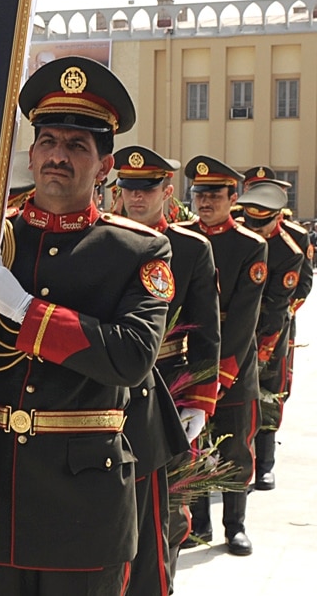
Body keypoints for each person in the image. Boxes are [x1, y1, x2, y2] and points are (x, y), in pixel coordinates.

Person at [0, 56, 172, 595]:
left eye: (78, 145)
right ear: (31, 155)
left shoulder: (139, 249)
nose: (59, 155)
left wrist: (26, 311)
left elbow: (131, 355)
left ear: (105, 165)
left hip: (86, 509)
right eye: (49, 140)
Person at [112, 145, 220, 593]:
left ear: (167, 190)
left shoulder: (191, 249)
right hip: (111, 386)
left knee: (167, 512)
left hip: (168, 390)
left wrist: (198, 399)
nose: (137, 198)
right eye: (128, 188)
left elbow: (208, 333)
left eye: (147, 188)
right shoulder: (102, 239)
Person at [175, 155, 268, 557]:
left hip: (232, 364)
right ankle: (199, 525)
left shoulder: (251, 245)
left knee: (233, 447)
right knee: (193, 445)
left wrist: (217, 377)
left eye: (214, 193)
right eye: (198, 193)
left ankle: (235, 526)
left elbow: (243, 321)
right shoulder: (182, 239)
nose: (205, 201)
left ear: (235, 197)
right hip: (190, 358)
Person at [233, 172, 308, 495]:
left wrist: (273, 332)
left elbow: (299, 287)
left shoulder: (294, 240)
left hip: (273, 327)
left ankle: (264, 464)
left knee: (269, 392)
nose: (255, 228)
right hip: (237, 325)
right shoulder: (237, 227)